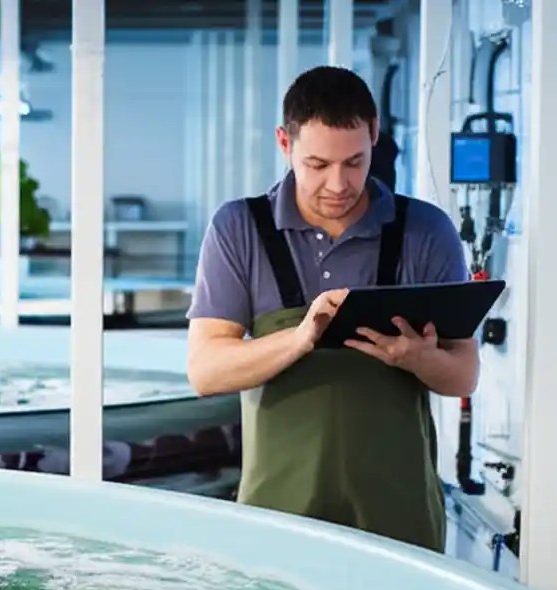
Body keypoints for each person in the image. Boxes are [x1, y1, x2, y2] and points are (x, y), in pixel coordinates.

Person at [184, 66, 478, 553]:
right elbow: (205, 371)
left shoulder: (426, 231)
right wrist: (300, 338)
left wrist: (415, 357)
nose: (338, 184)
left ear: (375, 136)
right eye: (317, 164)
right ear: (284, 143)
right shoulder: (240, 228)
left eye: (355, 162)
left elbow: (463, 375)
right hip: (278, 512)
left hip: (399, 514)